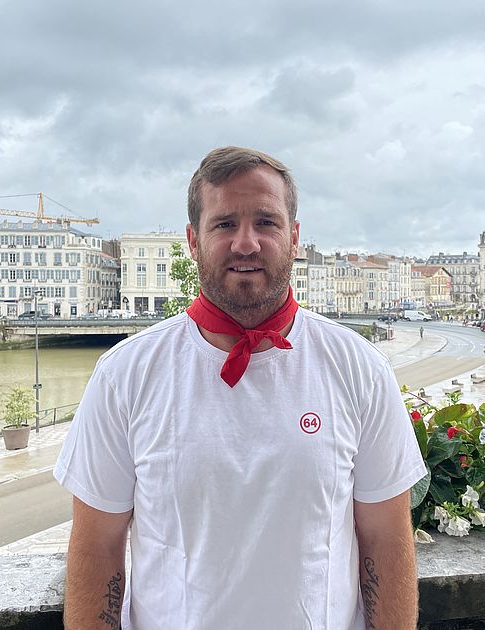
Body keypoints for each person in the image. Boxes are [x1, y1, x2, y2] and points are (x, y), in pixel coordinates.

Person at [54, 146, 426, 630]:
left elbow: (388, 542)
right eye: (225, 224)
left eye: (266, 223)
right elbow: (96, 548)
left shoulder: (360, 369)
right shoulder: (125, 375)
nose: (246, 243)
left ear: (294, 238)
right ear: (193, 241)